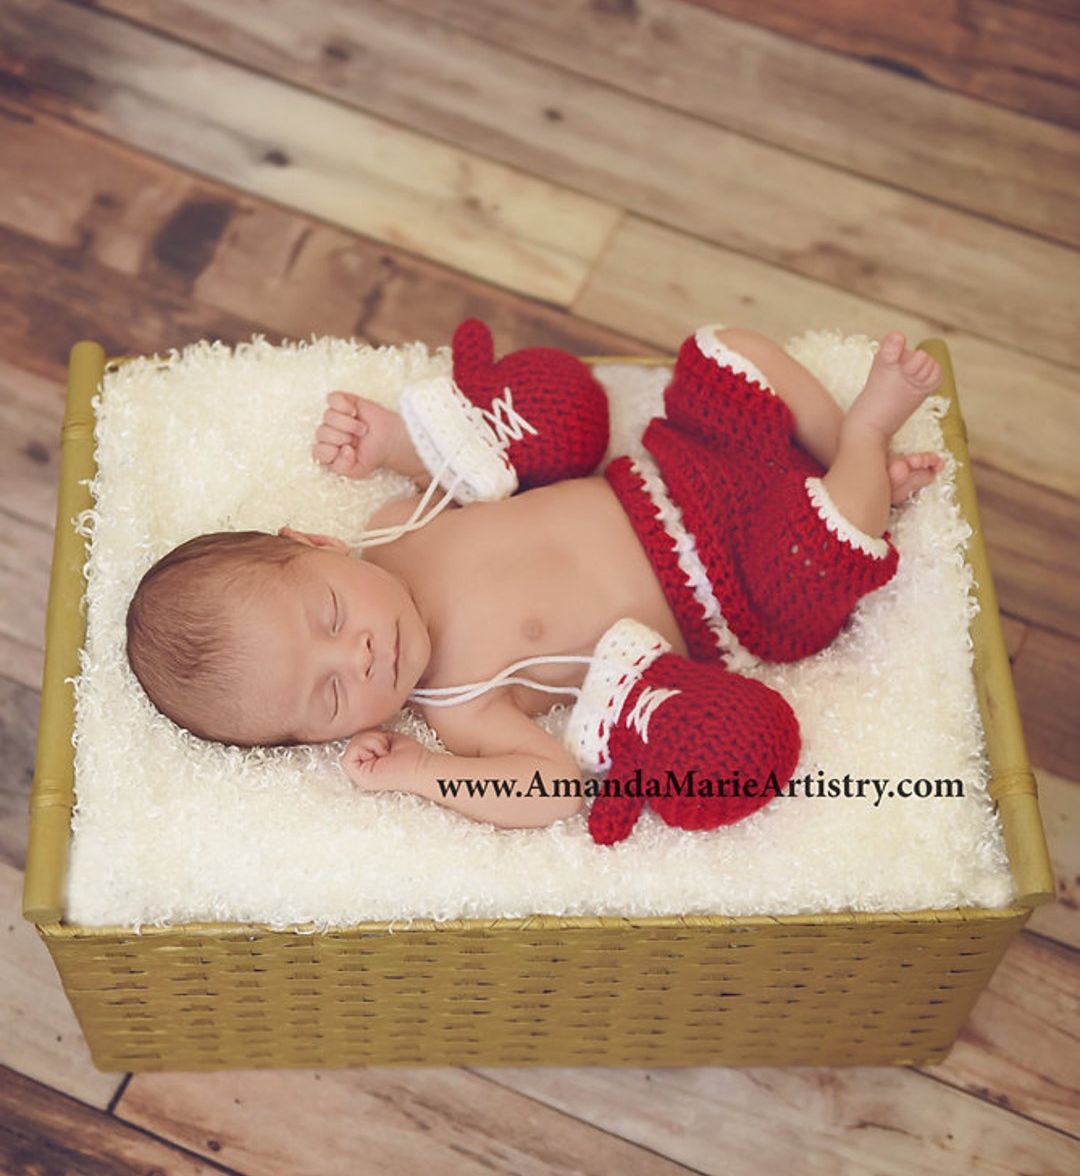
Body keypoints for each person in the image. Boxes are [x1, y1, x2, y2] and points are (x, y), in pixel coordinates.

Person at [125, 322, 943, 842]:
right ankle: (867, 442)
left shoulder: (399, 523)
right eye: (332, 696)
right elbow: (552, 790)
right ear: (321, 740)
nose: (361, 656)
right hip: (736, 589)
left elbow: (471, 468)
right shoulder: (459, 705)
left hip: (678, 472)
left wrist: (393, 443)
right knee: (819, 544)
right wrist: (420, 773)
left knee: (725, 353)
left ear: (317, 544)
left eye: (332, 615)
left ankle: (843, 456)